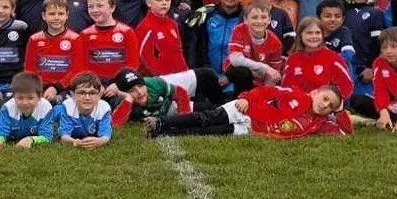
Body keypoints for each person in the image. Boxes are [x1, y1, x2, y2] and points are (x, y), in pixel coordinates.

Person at [143, 84, 348, 139]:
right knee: (206, 118)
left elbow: (345, 133)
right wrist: (246, 99)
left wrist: (340, 111)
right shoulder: (296, 94)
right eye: (325, 98)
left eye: (331, 105)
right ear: (315, 93)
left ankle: (164, 133)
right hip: (246, 111)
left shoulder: (319, 124)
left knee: (211, 132)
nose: (325, 105)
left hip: (252, 130)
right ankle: (161, 122)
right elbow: (266, 90)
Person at [0, 72, 54, 148]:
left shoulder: (46, 108)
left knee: (0, 109)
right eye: (20, 98)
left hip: (9, 117)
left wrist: (31, 139)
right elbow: (0, 130)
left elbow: (47, 136)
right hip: (4, 121)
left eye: (30, 98)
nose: (25, 102)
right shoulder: (9, 107)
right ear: (13, 97)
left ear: (39, 97)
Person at [57, 72, 112, 149]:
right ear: (73, 95)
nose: (87, 97)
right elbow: (64, 137)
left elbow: (106, 137)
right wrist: (76, 142)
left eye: (92, 93)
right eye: (82, 93)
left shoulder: (103, 109)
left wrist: (99, 142)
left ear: (99, 95)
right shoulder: (67, 107)